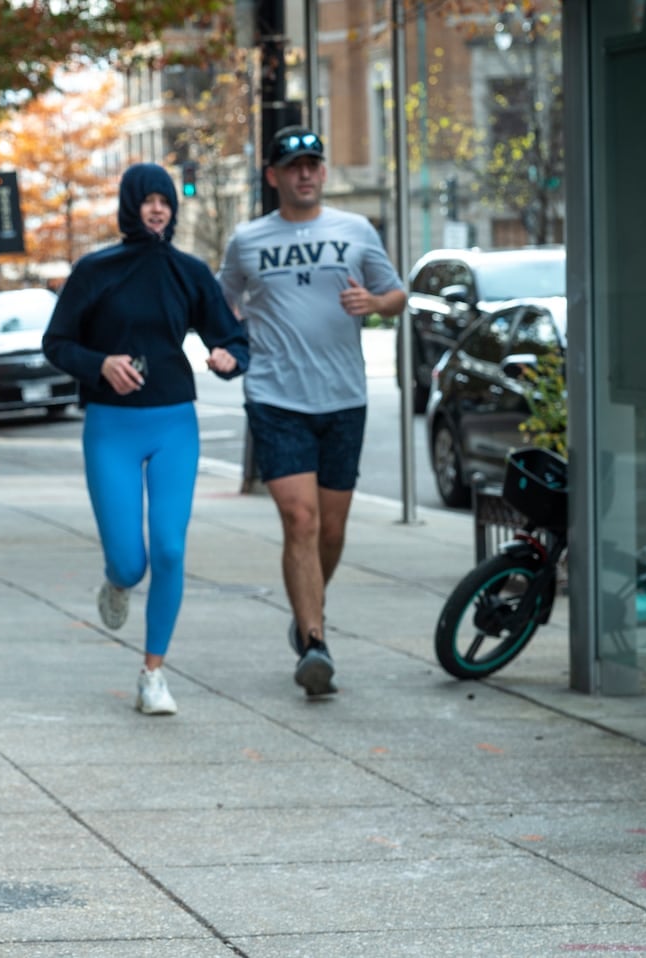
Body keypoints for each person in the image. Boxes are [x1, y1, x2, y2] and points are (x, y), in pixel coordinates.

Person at [43, 163, 249, 716]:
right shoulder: (95, 270)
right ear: (130, 206)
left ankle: (152, 674)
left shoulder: (189, 271)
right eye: (147, 200)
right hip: (111, 427)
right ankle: (115, 583)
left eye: (164, 200)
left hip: (173, 422)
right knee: (131, 564)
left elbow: (232, 337)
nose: (157, 208)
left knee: (171, 549)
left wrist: (230, 357)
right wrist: (100, 364)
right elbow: (57, 344)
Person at [216, 126, 407, 697]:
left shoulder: (355, 230)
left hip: (344, 397)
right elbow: (223, 298)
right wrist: (230, 343)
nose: (305, 174)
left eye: (314, 164)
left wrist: (373, 303)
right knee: (300, 520)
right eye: (293, 166)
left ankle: (305, 612)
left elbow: (396, 294)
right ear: (273, 175)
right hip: (276, 397)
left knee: (332, 530)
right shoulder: (248, 240)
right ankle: (315, 640)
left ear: (324, 172)